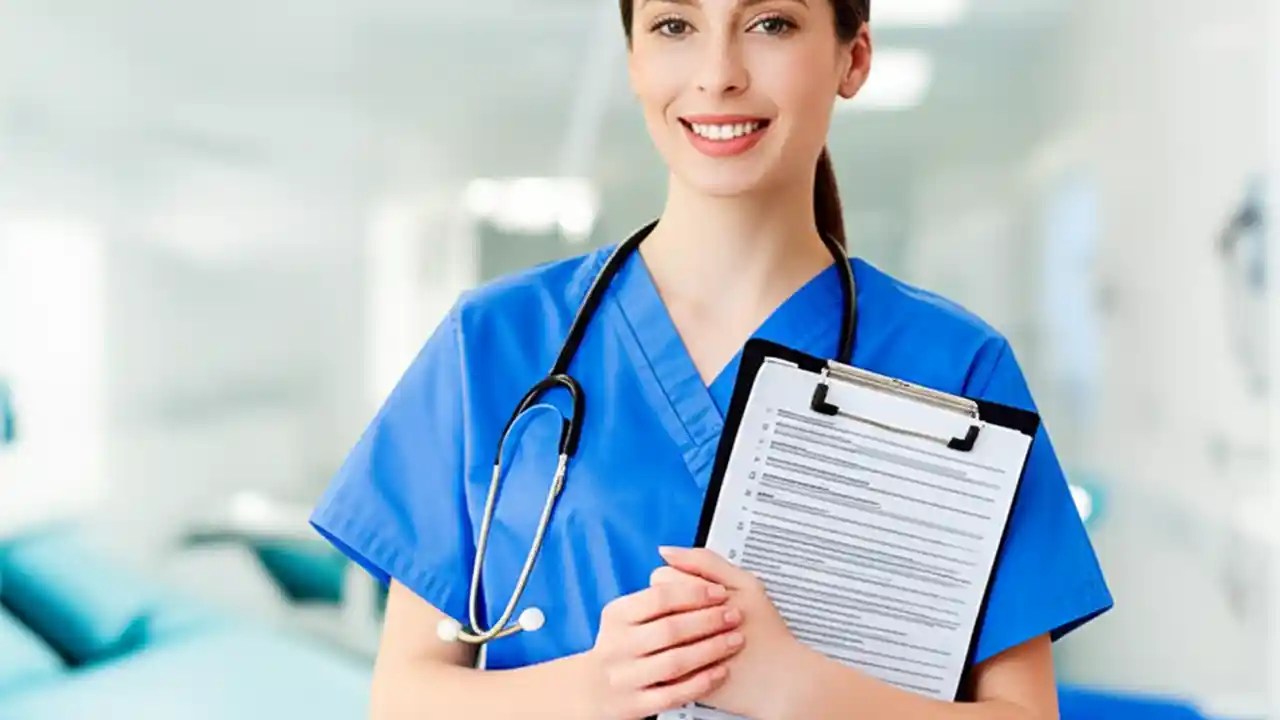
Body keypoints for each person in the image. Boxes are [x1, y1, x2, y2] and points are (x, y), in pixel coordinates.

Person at [309, 0, 1113, 717]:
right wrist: (597, 688)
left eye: (771, 24)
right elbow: (404, 697)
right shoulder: (497, 341)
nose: (718, 74)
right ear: (633, 59)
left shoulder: (953, 365)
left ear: (853, 56)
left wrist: (797, 690)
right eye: (674, 26)